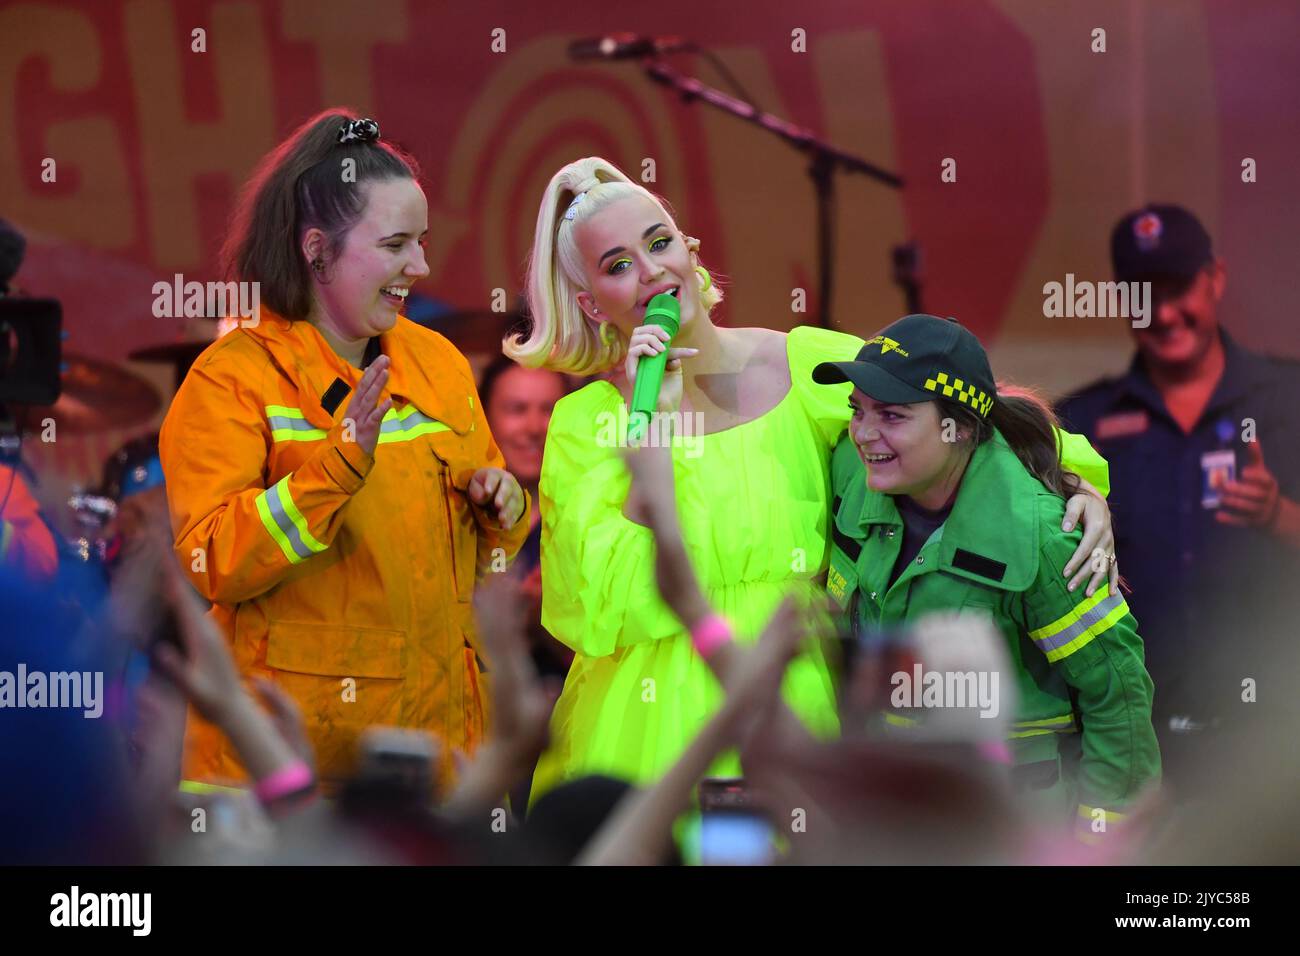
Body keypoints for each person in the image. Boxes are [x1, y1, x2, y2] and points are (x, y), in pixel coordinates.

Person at [505, 156, 1116, 804]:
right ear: (588, 302)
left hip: (797, 693)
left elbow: (958, 406)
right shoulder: (581, 423)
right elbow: (594, 612)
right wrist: (646, 424)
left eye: (659, 243)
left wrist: (1077, 483)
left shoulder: (796, 362)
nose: (652, 270)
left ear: (690, 249)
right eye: (618, 264)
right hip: (640, 727)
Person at [159, 109, 530, 795]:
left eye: (421, 242)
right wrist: (336, 470)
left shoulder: (441, 364)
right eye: (395, 244)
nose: (419, 266)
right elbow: (213, 561)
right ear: (316, 249)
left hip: (443, 762)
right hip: (288, 777)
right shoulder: (230, 378)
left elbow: (491, 558)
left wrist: (502, 507)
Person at [814, 313, 1161, 839]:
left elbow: (1118, 696)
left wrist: (1103, 838)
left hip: (1009, 823)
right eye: (857, 410)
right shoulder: (853, 471)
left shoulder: (1044, 537)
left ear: (960, 429)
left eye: (892, 415)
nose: (864, 434)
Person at [1056, 205, 1300, 792]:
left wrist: (1280, 517)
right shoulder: (1081, 426)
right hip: (1138, 749)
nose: (1163, 314)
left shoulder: (1290, 399)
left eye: (1178, 288)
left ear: (1215, 278)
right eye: (1143, 296)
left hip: (1276, 745)